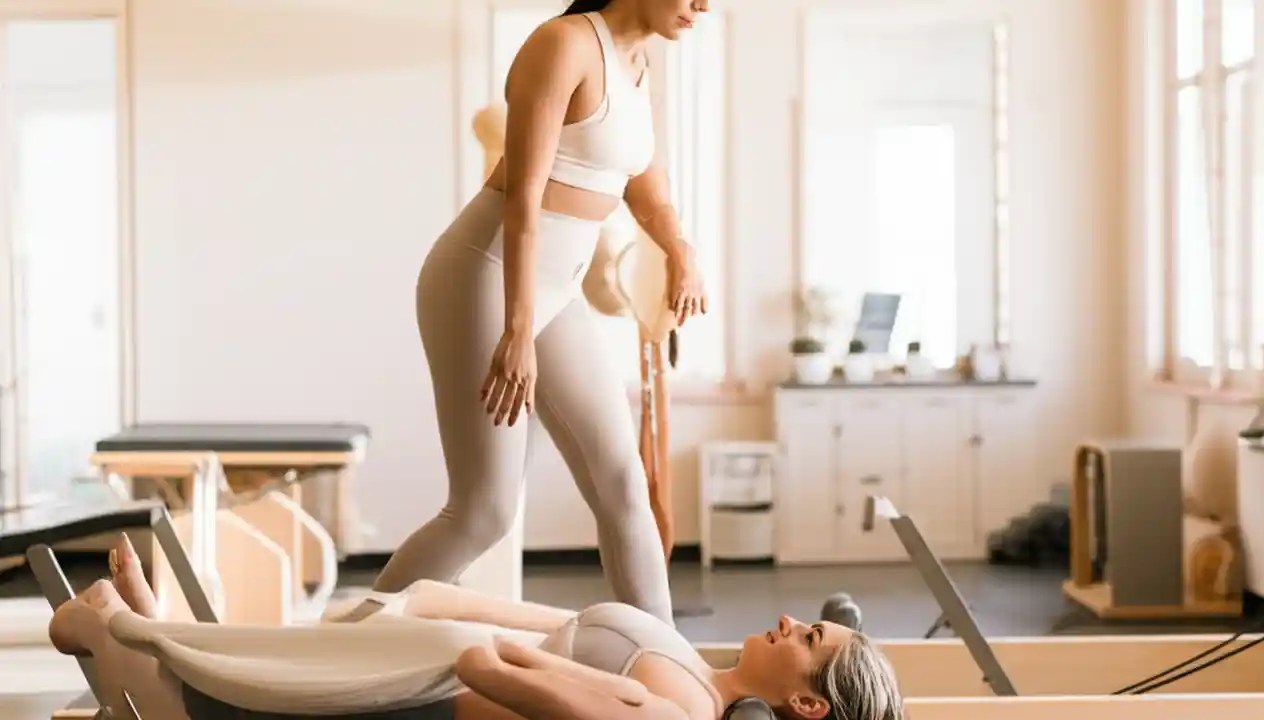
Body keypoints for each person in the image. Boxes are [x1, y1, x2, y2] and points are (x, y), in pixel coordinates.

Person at [372, 0, 712, 627]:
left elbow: (645, 187)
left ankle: (665, 666)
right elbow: (523, 199)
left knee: (623, 484)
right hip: (484, 276)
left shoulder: (640, 67)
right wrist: (518, 329)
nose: (705, 6)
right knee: (484, 512)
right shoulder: (564, 44)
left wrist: (680, 248)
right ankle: (352, 641)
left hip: (556, 293)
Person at [50, 534, 904, 720]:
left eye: (811, 640)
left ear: (807, 705)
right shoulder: (690, 676)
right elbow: (561, 624)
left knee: (252, 696)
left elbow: (503, 673)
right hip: (435, 652)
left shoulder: (678, 714)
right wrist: (431, 597)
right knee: (273, 661)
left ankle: (115, 634)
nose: (792, 621)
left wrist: (460, 638)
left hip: (429, 690)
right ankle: (150, 631)